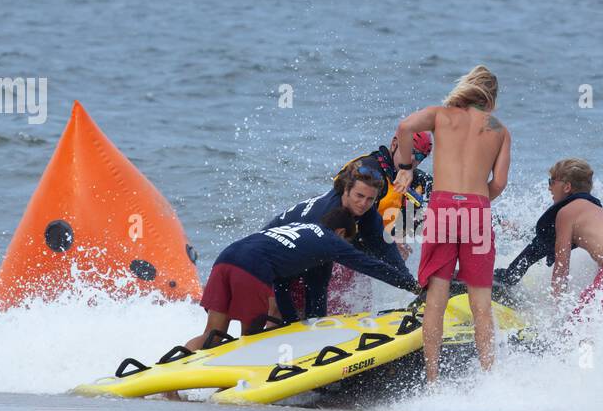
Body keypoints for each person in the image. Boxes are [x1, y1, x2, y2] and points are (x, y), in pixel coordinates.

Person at [392, 66, 511, 383]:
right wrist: (477, 203)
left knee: (436, 300)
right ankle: (489, 380)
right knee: (481, 305)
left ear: (466, 87)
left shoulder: (440, 115)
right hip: (477, 210)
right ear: (491, 98)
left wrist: (405, 167)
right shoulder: (499, 128)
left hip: (443, 207)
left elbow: (404, 127)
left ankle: (432, 380)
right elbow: (499, 182)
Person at [187, 206, 420, 350]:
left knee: (212, 335)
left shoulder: (303, 228)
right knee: (250, 341)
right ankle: (229, 389)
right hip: (250, 270)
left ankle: (169, 378)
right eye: (346, 242)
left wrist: (294, 323)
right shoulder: (331, 241)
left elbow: (284, 282)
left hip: (225, 259)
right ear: (340, 234)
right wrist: (413, 287)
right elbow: (370, 266)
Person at [496, 159, 603, 318]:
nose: (549, 187)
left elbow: (561, 267)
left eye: (552, 181)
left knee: (574, 330)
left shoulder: (567, 212)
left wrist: (555, 311)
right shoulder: (601, 212)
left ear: (567, 186)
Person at [265, 159, 409, 319]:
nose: (363, 203)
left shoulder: (368, 213)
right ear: (346, 190)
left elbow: (385, 248)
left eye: (370, 199)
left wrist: (410, 281)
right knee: (279, 312)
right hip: (271, 251)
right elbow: (351, 264)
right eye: (359, 196)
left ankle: (311, 331)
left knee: (316, 296)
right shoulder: (328, 215)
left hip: (309, 249)